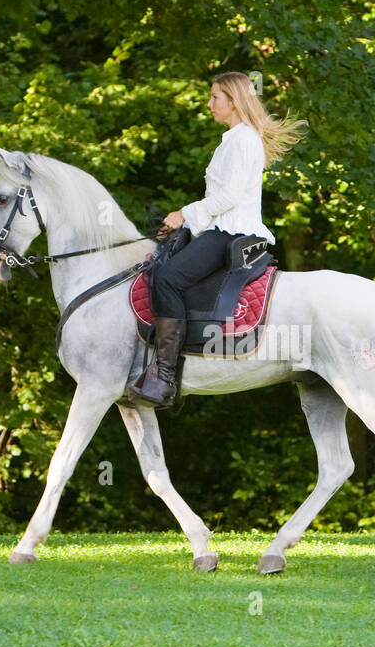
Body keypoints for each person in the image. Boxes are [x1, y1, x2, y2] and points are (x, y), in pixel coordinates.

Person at [129, 72, 306, 406]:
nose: (209, 104)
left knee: (166, 278)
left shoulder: (243, 140)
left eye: (215, 98)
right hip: (219, 228)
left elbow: (228, 198)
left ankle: (164, 375)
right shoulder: (234, 139)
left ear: (234, 101)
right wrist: (186, 226)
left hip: (231, 232)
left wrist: (184, 213)